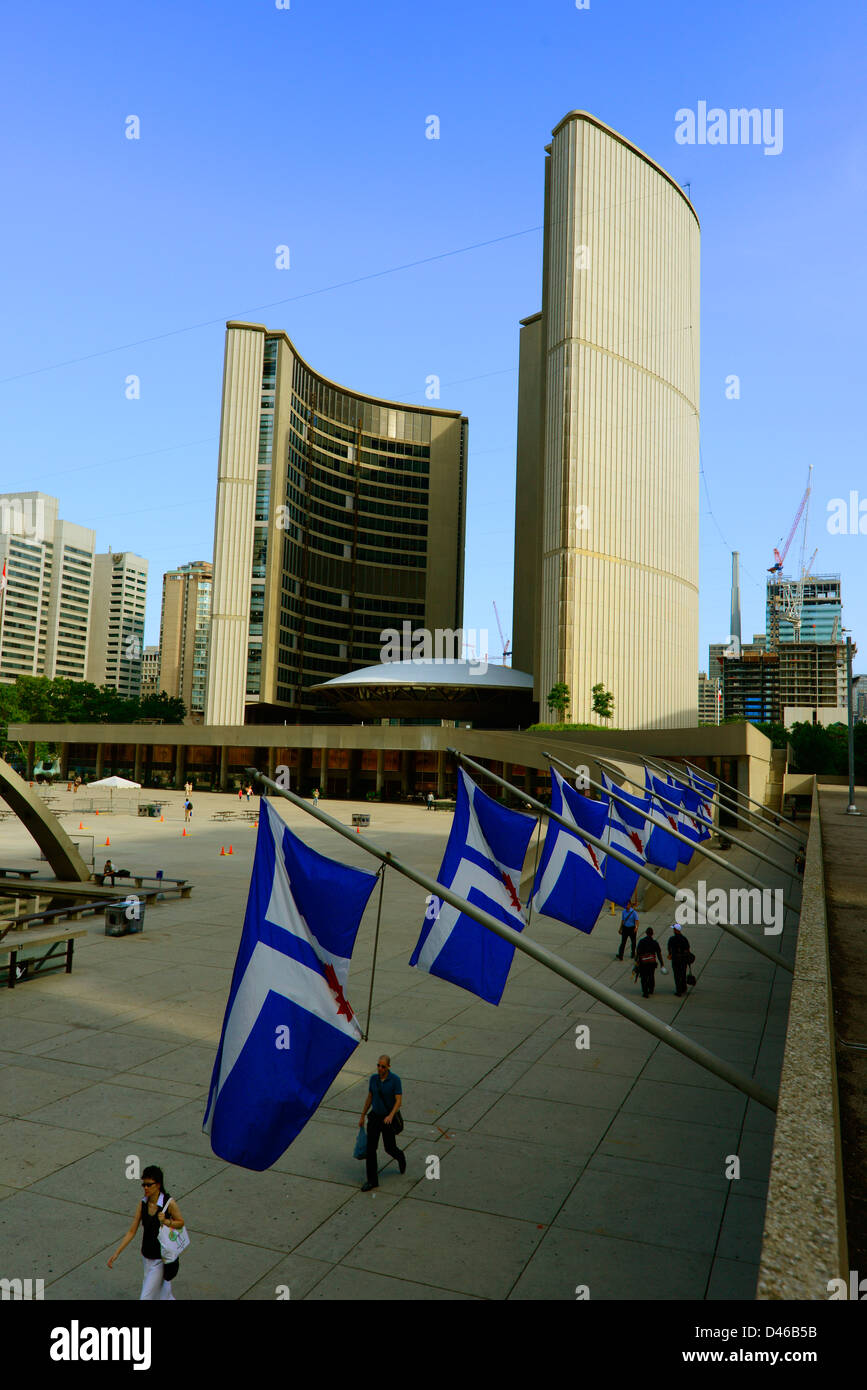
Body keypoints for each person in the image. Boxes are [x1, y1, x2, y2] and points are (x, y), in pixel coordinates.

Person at [107, 1164, 185, 1301]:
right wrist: (117, 1252)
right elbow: (132, 1231)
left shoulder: (168, 1203)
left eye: (149, 1185)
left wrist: (167, 1222)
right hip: (146, 1257)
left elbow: (180, 1222)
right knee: (163, 1294)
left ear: (158, 1185)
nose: (146, 1188)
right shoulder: (143, 1204)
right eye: (144, 1185)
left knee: (146, 1297)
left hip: (160, 1258)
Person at [359, 1056, 406, 1191]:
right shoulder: (373, 1079)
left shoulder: (395, 1080)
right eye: (378, 1065)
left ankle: (400, 1157)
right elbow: (370, 1097)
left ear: (388, 1067)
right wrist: (362, 1115)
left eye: (383, 1066)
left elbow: (398, 1101)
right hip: (374, 1117)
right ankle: (372, 1181)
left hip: (387, 1120)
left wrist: (391, 1115)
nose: (380, 1068)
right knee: (370, 1149)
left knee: (389, 1148)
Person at [635, 927, 663, 998]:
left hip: (643, 963)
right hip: (652, 963)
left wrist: (636, 960)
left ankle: (645, 992)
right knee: (651, 976)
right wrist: (661, 963)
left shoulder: (641, 941)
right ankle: (651, 989)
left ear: (646, 933)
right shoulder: (655, 943)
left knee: (644, 977)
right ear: (652, 934)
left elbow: (638, 952)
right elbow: (659, 954)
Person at [667, 923, 693, 996]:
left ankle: (678, 990)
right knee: (683, 973)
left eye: (674, 929)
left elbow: (669, 948)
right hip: (683, 959)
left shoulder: (672, 939)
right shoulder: (684, 939)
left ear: (676, 930)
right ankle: (684, 988)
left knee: (677, 975)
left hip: (676, 959)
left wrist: (670, 954)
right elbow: (688, 949)